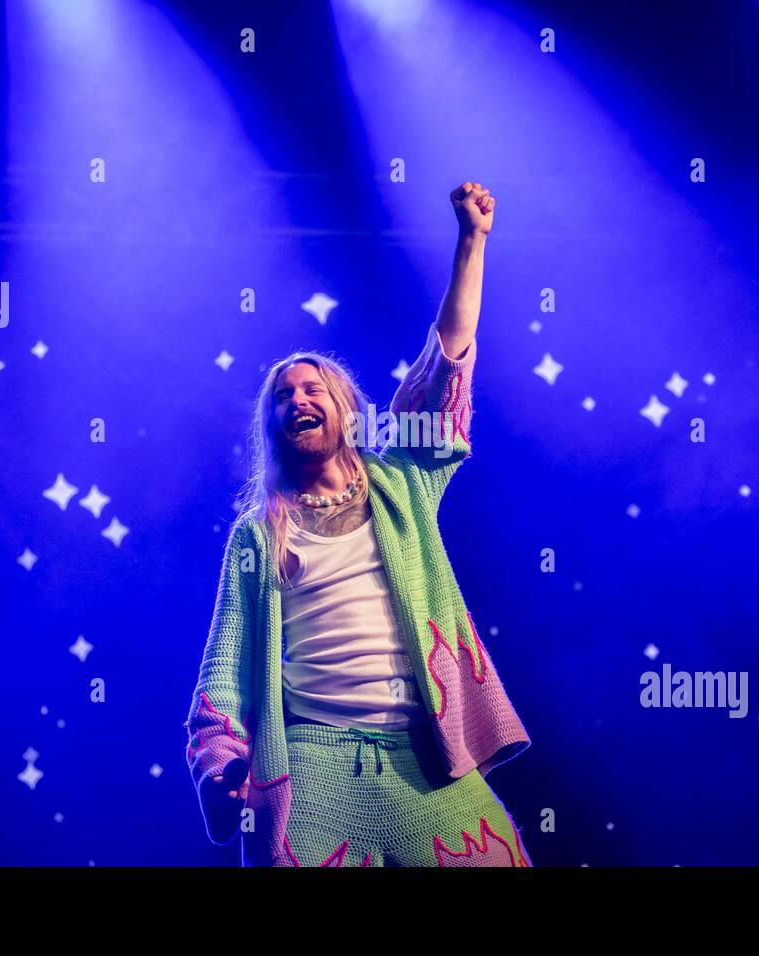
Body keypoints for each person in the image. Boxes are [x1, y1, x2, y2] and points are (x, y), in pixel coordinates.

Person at [185, 182, 532, 866]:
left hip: (424, 762)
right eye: (283, 396)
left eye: (313, 388)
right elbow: (222, 672)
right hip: (310, 768)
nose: (298, 399)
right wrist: (220, 766)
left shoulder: (402, 480)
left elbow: (447, 358)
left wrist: (471, 242)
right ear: (274, 428)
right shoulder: (258, 537)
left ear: (345, 410)